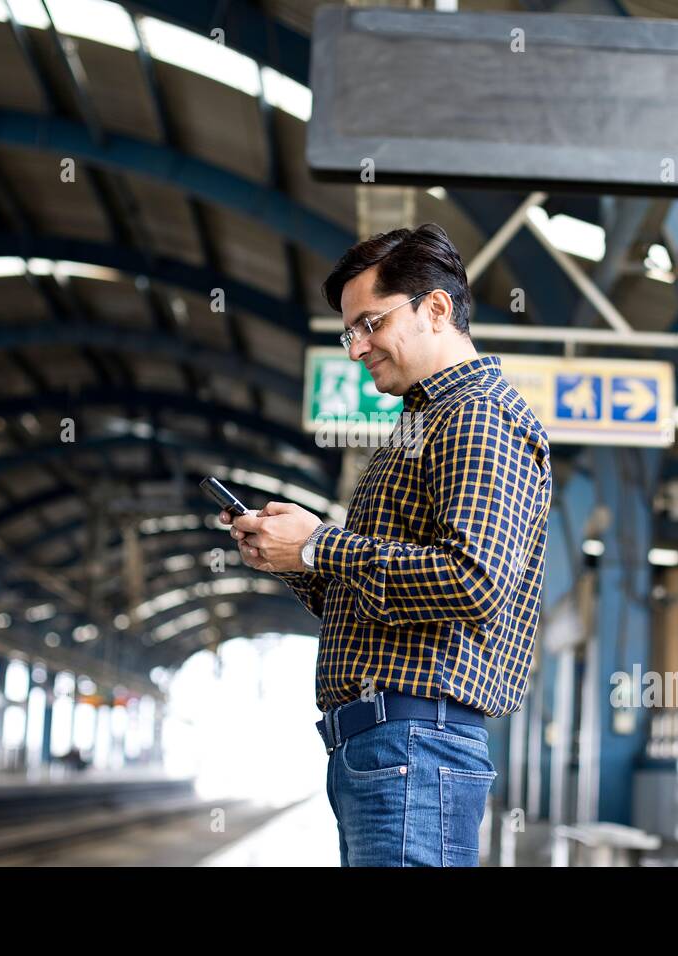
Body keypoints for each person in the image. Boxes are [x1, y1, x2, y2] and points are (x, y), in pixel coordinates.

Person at [222, 222, 552, 867]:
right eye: (351, 332)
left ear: (435, 308)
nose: (356, 349)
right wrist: (293, 559)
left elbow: (473, 580)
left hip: (414, 745)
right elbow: (383, 604)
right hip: (389, 747)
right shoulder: (420, 426)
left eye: (370, 324)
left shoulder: (477, 414)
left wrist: (322, 543)